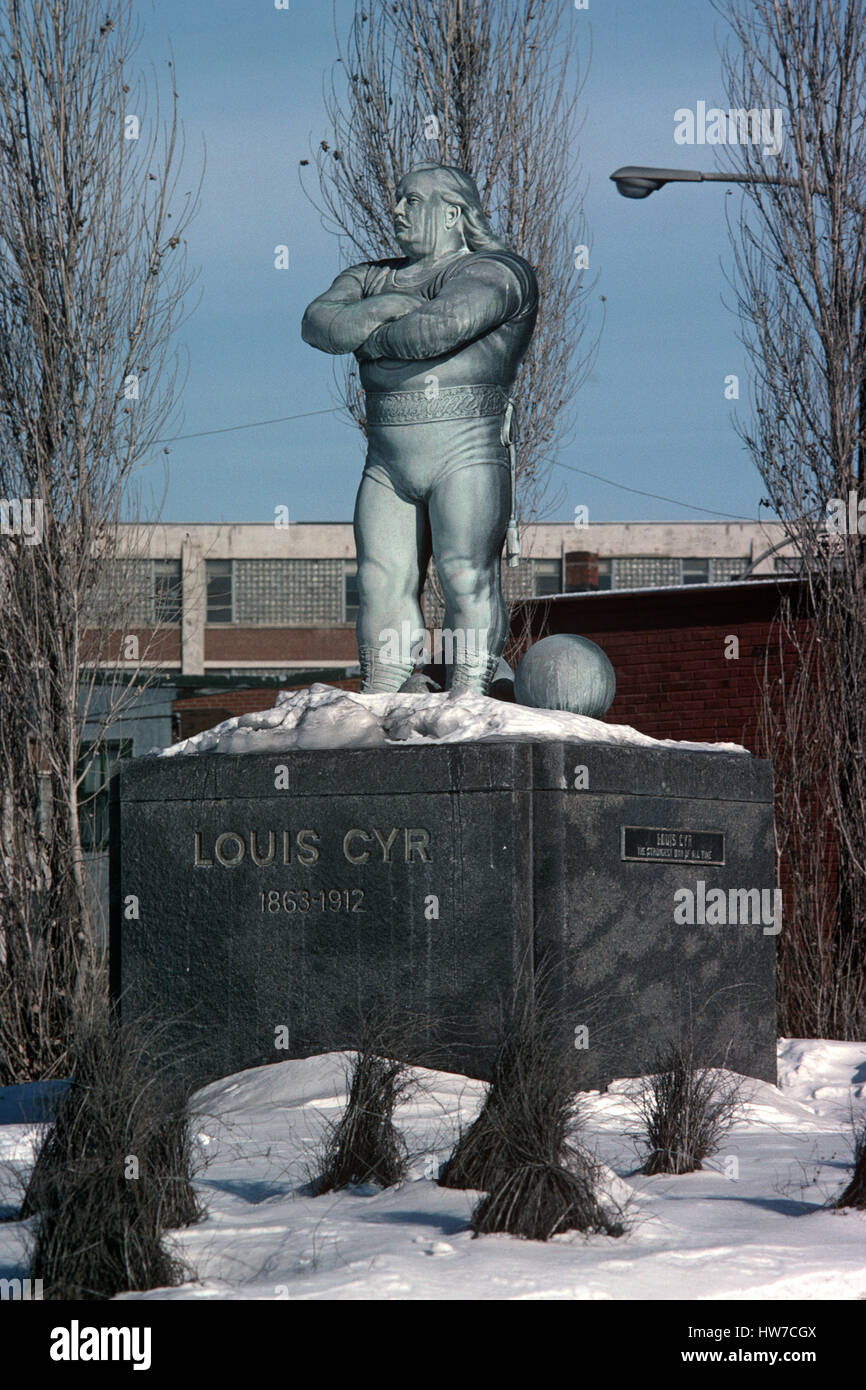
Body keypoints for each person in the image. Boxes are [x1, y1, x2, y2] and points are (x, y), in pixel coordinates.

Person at [302, 162, 538, 695]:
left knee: (465, 576)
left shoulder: (499, 271)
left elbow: (440, 327)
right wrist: (386, 307)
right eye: (398, 201)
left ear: (453, 212)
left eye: (412, 201)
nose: (398, 211)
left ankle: (470, 697)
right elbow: (317, 323)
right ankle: (381, 699)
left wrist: (367, 337)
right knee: (379, 581)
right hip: (388, 458)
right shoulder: (373, 277)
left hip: (466, 449)